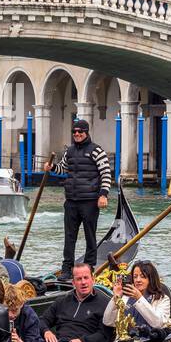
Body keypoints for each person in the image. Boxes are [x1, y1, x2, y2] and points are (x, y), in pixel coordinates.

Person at [45, 118, 112, 281]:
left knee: (90, 236)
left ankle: (89, 267)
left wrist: (103, 194)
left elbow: (106, 173)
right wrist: (52, 167)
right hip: (71, 201)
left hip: (90, 201)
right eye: (74, 132)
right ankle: (67, 269)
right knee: (69, 237)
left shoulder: (97, 151)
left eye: (80, 132)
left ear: (86, 133)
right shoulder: (69, 151)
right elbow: (63, 169)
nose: (76, 134)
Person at [37, 262, 113, 342]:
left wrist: (81, 341)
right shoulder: (62, 301)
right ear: (73, 283)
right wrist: (46, 331)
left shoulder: (104, 303)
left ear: (92, 279)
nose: (83, 282)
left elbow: (104, 335)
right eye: (79, 279)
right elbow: (41, 320)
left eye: (86, 278)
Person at [105, 260, 171, 332]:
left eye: (142, 276)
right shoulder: (125, 297)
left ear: (151, 279)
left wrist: (139, 298)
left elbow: (158, 324)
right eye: (135, 277)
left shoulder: (162, 299)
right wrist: (116, 297)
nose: (138, 280)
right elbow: (108, 322)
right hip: (124, 340)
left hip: (149, 340)